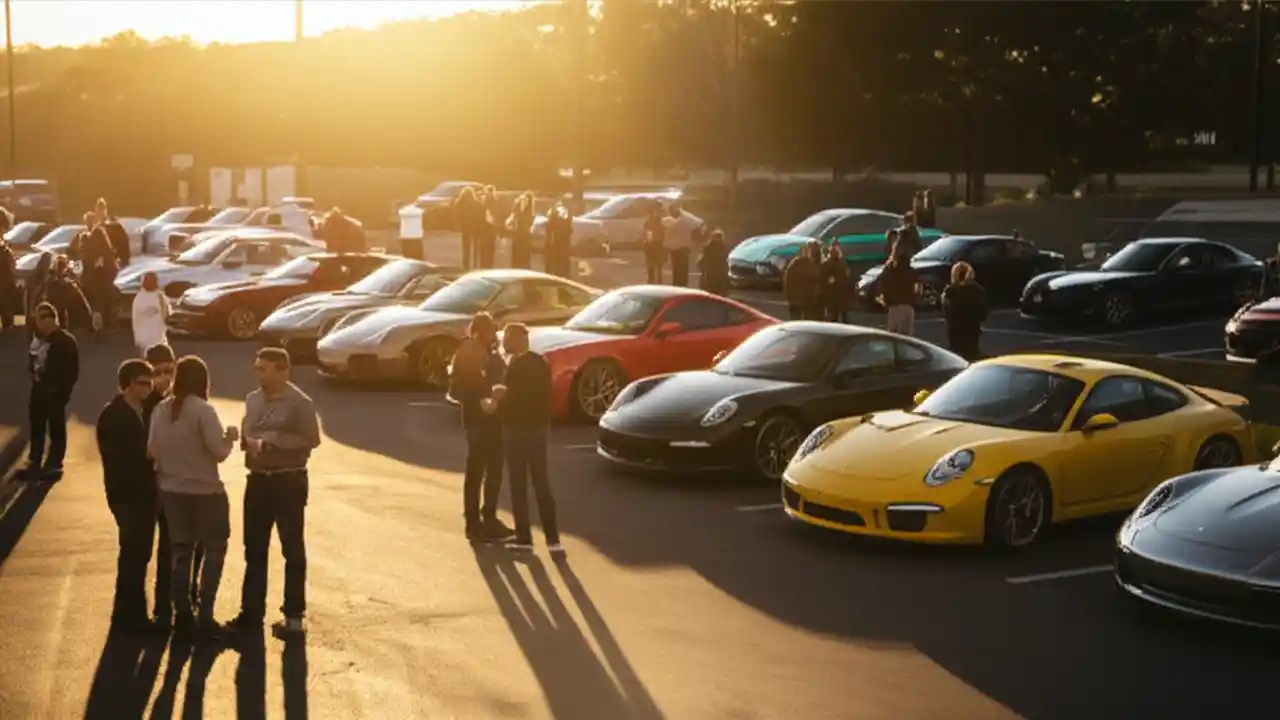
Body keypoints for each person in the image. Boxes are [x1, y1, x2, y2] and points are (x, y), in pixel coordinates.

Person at [225, 348, 321, 639]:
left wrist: (272, 442)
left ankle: (293, 616)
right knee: (254, 549)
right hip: (258, 481)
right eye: (257, 369)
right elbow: (248, 430)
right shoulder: (253, 399)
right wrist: (244, 439)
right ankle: (250, 613)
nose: (260, 375)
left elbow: (311, 439)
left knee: (292, 548)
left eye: (265, 369)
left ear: (284, 371)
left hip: (288, 481)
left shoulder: (300, 403)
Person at [148, 356, 237, 640]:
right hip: (205, 490)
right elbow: (219, 452)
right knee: (214, 551)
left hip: (172, 490)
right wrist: (230, 438)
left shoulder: (161, 409)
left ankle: (182, 613)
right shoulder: (203, 410)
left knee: (181, 551)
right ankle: (205, 616)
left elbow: (152, 451)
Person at [96, 359, 162, 634]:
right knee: (133, 552)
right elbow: (116, 456)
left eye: (150, 382)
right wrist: (147, 456)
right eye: (142, 383)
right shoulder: (114, 415)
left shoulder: (146, 410)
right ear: (128, 384)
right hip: (127, 494)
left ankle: (131, 609)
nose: (148, 387)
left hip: (146, 493)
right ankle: (129, 613)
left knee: (141, 552)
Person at [491, 323, 562, 554]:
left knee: (518, 483)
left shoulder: (517, 366)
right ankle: (553, 540)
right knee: (541, 483)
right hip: (539, 429)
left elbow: (513, 398)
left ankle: (524, 537)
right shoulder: (541, 363)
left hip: (516, 429)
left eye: (508, 338)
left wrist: (499, 398)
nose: (504, 343)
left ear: (520, 339)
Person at [144, 343, 200, 627]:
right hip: (160, 488)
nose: (165, 378)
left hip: (186, 487)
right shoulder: (148, 405)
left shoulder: (189, 402)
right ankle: (163, 609)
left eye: (170, 371)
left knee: (189, 548)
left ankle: (189, 600)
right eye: (159, 372)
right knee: (167, 550)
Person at [449, 312, 513, 542]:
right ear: (478, 332)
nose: (492, 336)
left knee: (495, 468)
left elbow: (500, 376)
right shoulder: (468, 351)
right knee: (476, 472)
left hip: (495, 419)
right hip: (477, 420)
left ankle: (490, 518)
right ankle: (473, 524)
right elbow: (460, 386)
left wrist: (499, 392)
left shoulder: (491, 352)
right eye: (488, 332)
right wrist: (481, 400)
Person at [19, 302, 78, 481]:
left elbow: (71, 371)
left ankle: (54, 463)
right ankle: (34, 460)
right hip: (39, 388)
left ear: (49, 319)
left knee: (56, 426)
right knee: (36, 424)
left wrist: (60, 390)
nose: (36, 323)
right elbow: (33, 363)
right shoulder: (38, 340)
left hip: (55, 391)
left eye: (39, 319)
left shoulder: (65, 341)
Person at [941, 261, 988, 361]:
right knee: (972, 354)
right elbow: (983, 311)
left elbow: (946, 312)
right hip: (972, 327)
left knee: (957, 356)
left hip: (955, 330)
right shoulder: (978, 291)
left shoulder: (949, 292)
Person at [81, 226, 120, 333]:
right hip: (102, 285)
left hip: (96, 285)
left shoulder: (95, 251)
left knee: (96, 308)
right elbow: (114, 270)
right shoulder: (107, 252)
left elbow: (85, 267)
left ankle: (98, 327)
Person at [879, 240, 920, 336]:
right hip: (907, 304)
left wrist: (885, 299)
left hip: (893, 305)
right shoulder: (911, 272)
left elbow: (882, 284)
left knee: (893, 334)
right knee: (906, 335)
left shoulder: (889, 269)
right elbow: (916, 288)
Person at [131, 272, 170, 357]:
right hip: (145, 336)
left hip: (156, 335)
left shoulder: (159, 296)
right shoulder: (140, 298)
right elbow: (136, 317)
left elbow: (165, 313)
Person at [783, 241, 821, 320]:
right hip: (806, 300)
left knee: (795, 321)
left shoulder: (793, 265)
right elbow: (817, 280)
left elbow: (787, 282)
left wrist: (789, 296)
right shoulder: (810, 266)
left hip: (797, 300)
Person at [662, 203, 696, 287]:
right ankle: (682, 283)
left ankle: (677, 283)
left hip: (675, 249)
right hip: (682, 248)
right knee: (681, 268)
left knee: (676, 268)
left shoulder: (668, 222)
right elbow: (688, 234)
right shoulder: (684, 221)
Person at [820, 244, 849, 322]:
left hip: (831, 294)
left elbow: (823, 279)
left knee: (832, 314)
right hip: (840, 293)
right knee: (842, 313)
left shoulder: (826, 264)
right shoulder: (842, 264)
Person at [453, 187, 480, 270]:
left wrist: (458, 224)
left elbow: (456, 214)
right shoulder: (476, 203)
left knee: (465, 246)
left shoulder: (459, 203)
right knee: (475, 245)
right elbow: (478, 214)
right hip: (474, 226)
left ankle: (466, 264)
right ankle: (475, 264)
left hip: (465, 226)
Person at [506, 192, 535, 269]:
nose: (523, 201)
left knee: (524, 255)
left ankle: (524, 268)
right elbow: (510, 220)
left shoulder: (529, 211)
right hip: (517, 234)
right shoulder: (516, 209)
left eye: (525, 200)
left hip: (524, 235)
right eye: (522, 199)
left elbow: (528, 223)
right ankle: (516, 268)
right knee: (516, 254)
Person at [544, 202, 573, 278]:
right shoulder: (560, 219)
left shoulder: (556, 220)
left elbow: (549, 230)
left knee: (556, 264)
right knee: (559, 264)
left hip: (558, 245)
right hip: (558, 246)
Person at [699, 229, 730, 296]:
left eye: (718, 237)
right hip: (713, 271)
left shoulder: (722, 247)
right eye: (716, 237)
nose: (717, 239)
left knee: (717, 289)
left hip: (718, 271)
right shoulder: (709, 247)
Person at [642, 203, 666, 284]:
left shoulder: (651, 220)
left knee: (654, 264)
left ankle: (653, 280)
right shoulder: (657, 219)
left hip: (654, 243)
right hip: (656, 243)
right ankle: (655, 280)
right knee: (655, 264)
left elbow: (646, 231)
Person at [477, 187, 499, 269]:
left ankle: (487, 265)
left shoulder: (490, 202)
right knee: (485, 248)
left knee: (489, 248)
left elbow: (497, 214)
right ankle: (485, 265)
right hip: (486, 228)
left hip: (490, 228)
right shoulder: (486, 202)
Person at [0, 219, 16, 330]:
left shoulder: (4, 249)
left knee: (6, 303)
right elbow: (12, 264)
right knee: (6, 304)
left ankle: (8, 324)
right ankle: (8, 324)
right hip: (4, 281)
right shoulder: (4, 250)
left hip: (5, 281)